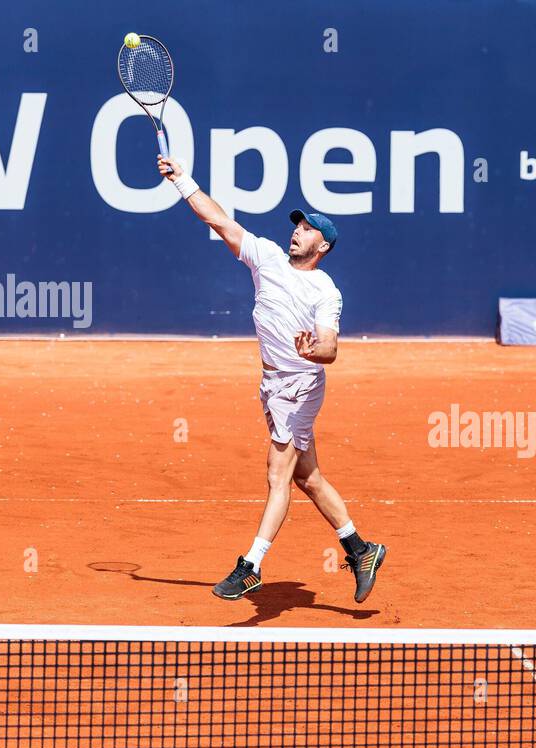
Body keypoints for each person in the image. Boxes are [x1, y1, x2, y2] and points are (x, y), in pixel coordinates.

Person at [158, 155, 388, 605]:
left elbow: (330, 349)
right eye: (297, 225)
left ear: (323, 246)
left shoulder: (326, 291)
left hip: (301, 388)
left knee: (277, 473)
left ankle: (251, 566)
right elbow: (220, 221)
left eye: (307, 228)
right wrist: (181, 180)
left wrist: (312, 351)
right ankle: (362, 550)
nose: (297, 230)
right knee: (309, 477)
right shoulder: (266, 258)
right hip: (272, 386)